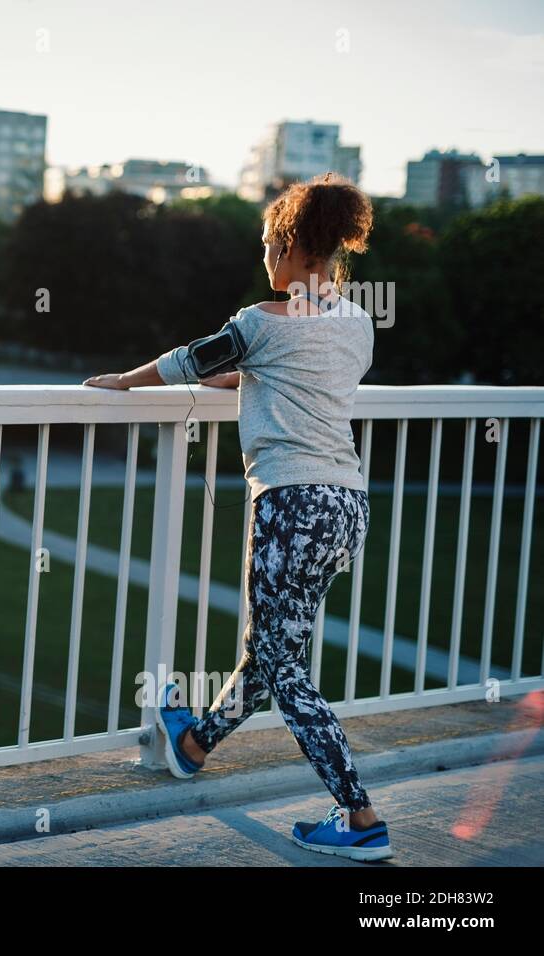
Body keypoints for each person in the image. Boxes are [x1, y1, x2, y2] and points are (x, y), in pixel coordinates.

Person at [83, 172, 392, 862]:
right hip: (345, 505)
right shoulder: (357, 325)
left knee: (286, 673)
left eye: (265, 244)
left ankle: (360, 813)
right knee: (272, 652)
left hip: (290, 503)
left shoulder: (259, 322)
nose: (263, 258)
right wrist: (244, 373)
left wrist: (121, 382)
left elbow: (191, 361)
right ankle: (192, 745)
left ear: (287, 246)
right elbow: (283, 371)